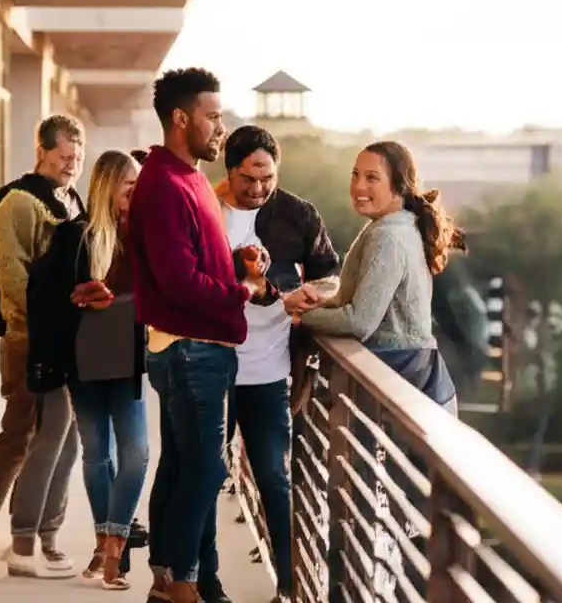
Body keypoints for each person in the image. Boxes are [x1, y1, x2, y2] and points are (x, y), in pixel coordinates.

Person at [128, 68, 274, 603]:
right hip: (191, 350)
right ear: (180, 119)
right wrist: (244, 289)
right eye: (213, 117)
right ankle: (184, 582)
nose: (221, 127)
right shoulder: (164, 185)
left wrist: (236, 260)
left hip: (194, 346)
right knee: (207, 466)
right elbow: (178, 281)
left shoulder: (186, 176)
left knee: (182, 464)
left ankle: (168, 576)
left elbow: (195, 260)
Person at [0, 114, 85, 578]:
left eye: (77, 157)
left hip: (59, 343)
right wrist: (39, 336)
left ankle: (33, 538)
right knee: (18, 439)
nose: (72, 164)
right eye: (64, 155)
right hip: (28, 342)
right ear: (41, 151)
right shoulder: (20, 204)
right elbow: (12, 279)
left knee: (56, 440)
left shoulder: (69, 200)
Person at [213, 126, 338, 603]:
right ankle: (202, 581)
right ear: (231, 169)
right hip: (210, 365)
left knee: (274, 478)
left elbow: (329, 276)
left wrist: (302, 300)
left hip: (267, 370)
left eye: (268, 177)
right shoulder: (206, 209)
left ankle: (288, 588)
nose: (259, 188)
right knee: (205, 475)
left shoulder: (298, 214)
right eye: (249, 178)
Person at [37, 149, 149, 591]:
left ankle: (113, 544)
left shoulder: (145, 237)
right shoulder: (73, 237)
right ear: (107, 188)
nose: (136, 193)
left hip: (128, 361)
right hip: (84, 362)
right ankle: (108, 555)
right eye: (128, 185)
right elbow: (46, 299)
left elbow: (159, 295)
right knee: (97, 453)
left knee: (137, 453)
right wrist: (76, 298)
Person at [297, 141, 466, 413]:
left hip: (412, 387)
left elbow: (359, 322)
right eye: (355, 175)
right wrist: (319, 301)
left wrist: (300, 317)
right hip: (412, 379)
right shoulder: (392, 224)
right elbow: (362, 294)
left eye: (371, 178)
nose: (358, 186)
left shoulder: (388, 236)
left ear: (399, 185)